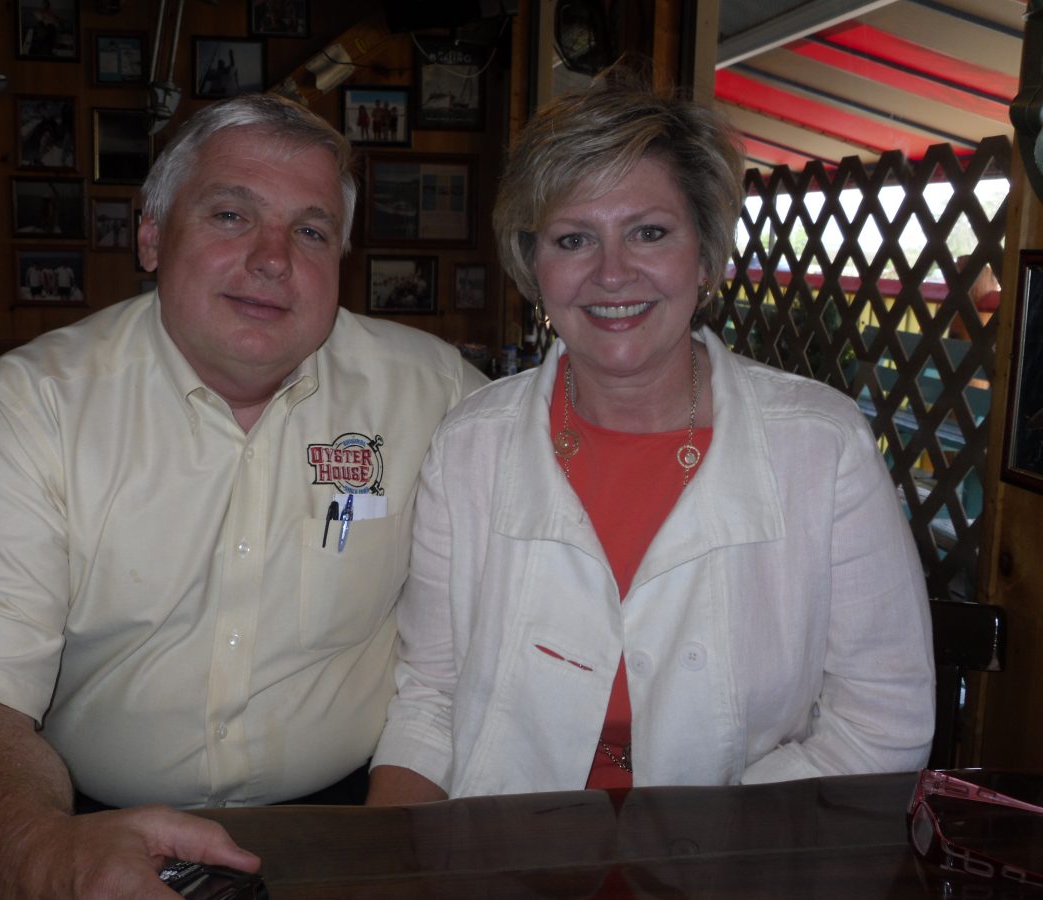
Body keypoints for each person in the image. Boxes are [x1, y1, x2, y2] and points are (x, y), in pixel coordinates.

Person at [0, 92, 486, 897]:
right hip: (77, 820)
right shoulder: (33, 409)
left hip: (357, 815)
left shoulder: (436, 392)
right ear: (151, 235)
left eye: (310, 231)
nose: (274, 258)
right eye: (232, 215)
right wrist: (34, 851)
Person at [366, 60, 935, 804]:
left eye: (649, 232)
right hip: (499, 859)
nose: (612, 273)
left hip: (736, 865)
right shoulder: (469, 445)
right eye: (573, 240)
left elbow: (883, 722)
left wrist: (705, 846)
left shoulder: (821, 447)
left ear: (704, 257)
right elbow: (429, 702)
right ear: (533, 267)